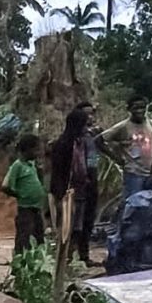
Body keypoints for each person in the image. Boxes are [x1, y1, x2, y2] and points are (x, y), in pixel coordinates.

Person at [99, 94, 152, 203]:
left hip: (149, 174)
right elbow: (99, 140)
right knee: (133, 205)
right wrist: (117, 159)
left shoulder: (151, 124)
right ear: (129, 109)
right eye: (136, 108)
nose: (139, 111)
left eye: (142, 107)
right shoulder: (123, 126)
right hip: (133, 173)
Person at [50, 109, 92, 263]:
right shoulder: (63, 145)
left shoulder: (80, 144)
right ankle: (63, 261)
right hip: (67, 192)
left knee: (77, 228)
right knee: (66, 228)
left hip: (80, 190)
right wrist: (60, 194)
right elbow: (59, 172)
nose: (86, 129)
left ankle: (70, 259)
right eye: (84, 126)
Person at [1, 134, 45, 254]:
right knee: (24, 237)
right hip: (25, 208)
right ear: (26, 150)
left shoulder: (32, 165)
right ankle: (19, 264)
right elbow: (5, 186)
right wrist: (20, 195)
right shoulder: (17, 166)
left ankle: (36, 264)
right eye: (36, 149)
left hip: (36, 207)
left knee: (38, 236)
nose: (38, 153)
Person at [76, 101, 102, 264]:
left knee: (88, 219)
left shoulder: (92, 136)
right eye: (86, 114)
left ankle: (84, 255)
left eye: (92, 113)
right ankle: (72, 256)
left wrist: (121, 160)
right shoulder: (75, 138)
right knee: (77, 220)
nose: (90, 117)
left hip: (93, 179)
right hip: (80, 183)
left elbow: (103, 147)